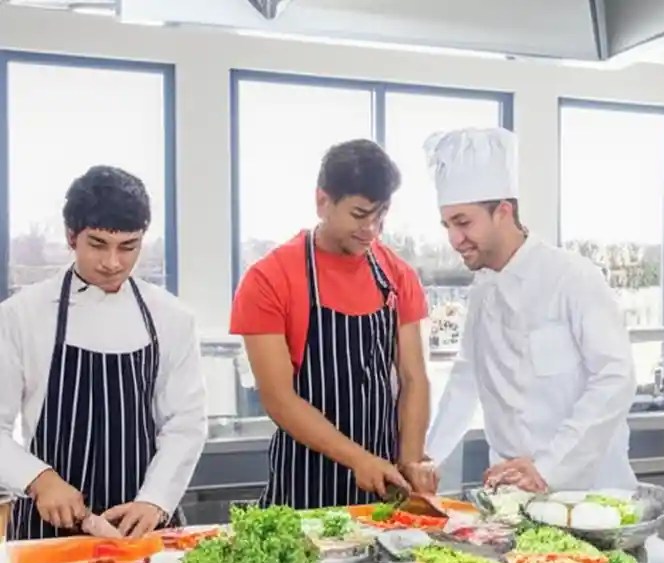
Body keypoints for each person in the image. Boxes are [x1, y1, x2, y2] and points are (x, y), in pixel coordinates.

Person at [0, 166, 207, 540]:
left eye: (128, 247)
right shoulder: (21, 315)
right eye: (98, 244)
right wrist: (38, 479)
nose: (113, 262)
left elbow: (185, 425)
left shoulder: (171, 317)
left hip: (143, 528)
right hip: (48, 532)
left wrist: (156, 499)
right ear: (70, 237)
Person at [424, 127, 635, 493]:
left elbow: (615, 379)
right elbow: (465, 379)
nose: (454, 240)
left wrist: (547, 468)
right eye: (447, 225)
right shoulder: (483, 292)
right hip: (512, 496)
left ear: (503, 212)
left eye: (463, 222)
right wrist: (429, 460)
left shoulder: (572, 277)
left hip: (589, 496)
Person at [231, 139, 434, 509]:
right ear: (322, 201)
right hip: (303, 489)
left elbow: (413, 378)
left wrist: (411, 461)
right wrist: (358, 459)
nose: (371, 229)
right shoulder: (269, 278)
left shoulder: (397, 276)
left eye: (381, 214)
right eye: (359, 214)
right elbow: (279, 399)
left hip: (383, 487)